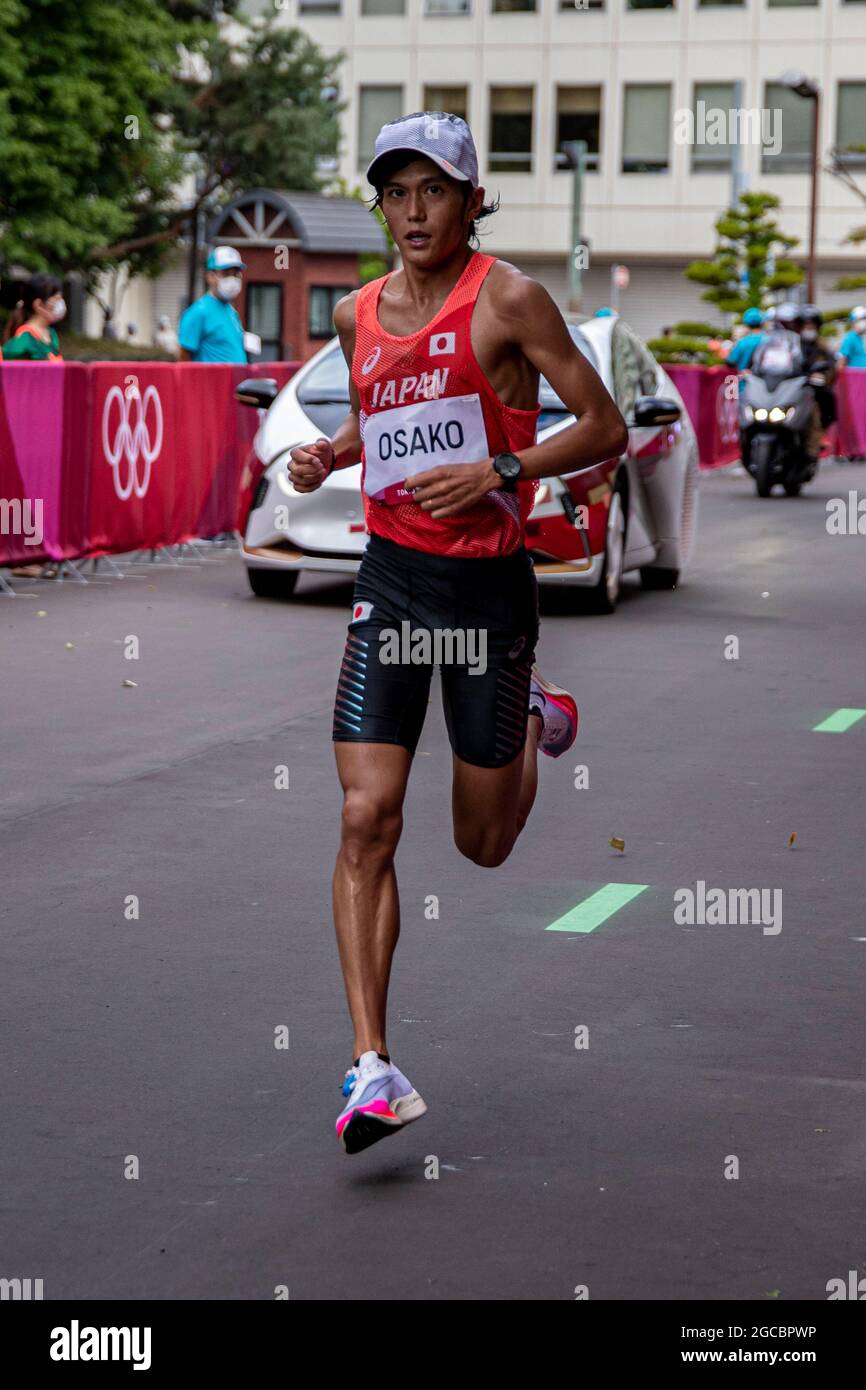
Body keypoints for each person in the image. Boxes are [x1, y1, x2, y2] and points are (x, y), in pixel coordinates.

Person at [287, 111, 628, 1156]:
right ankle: (370, 1066)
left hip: (486, 598)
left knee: (480, 846)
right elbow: (390, 421)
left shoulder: (510, 299)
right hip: (389, 585)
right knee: (363, 816)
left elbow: (602, 423)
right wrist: (328, 455)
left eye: (433, 189)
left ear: (472, 200)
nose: (412, 210)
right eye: (394, 191)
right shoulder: (354, 314)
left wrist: (503, 470)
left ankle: (529, 714)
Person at [177, 247, 247, 363]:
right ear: (210, 277)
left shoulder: (232, 312)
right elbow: (183, 356)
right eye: (226, 273)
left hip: (237, 380)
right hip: (212, 381)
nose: (232, 279)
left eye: (236, 273)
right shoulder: (198, 312)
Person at [1, 273, 65, 361]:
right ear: (39, 305)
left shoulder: (51, 334)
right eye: (57, 299)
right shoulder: (24, 339)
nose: (61, 305)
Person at [726, 307, 765, 371]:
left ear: (746, 323)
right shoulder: (769, 340)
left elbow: (731, 362)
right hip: (766, 379)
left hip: (745, 379)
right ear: (762, 322)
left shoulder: (742, 342)